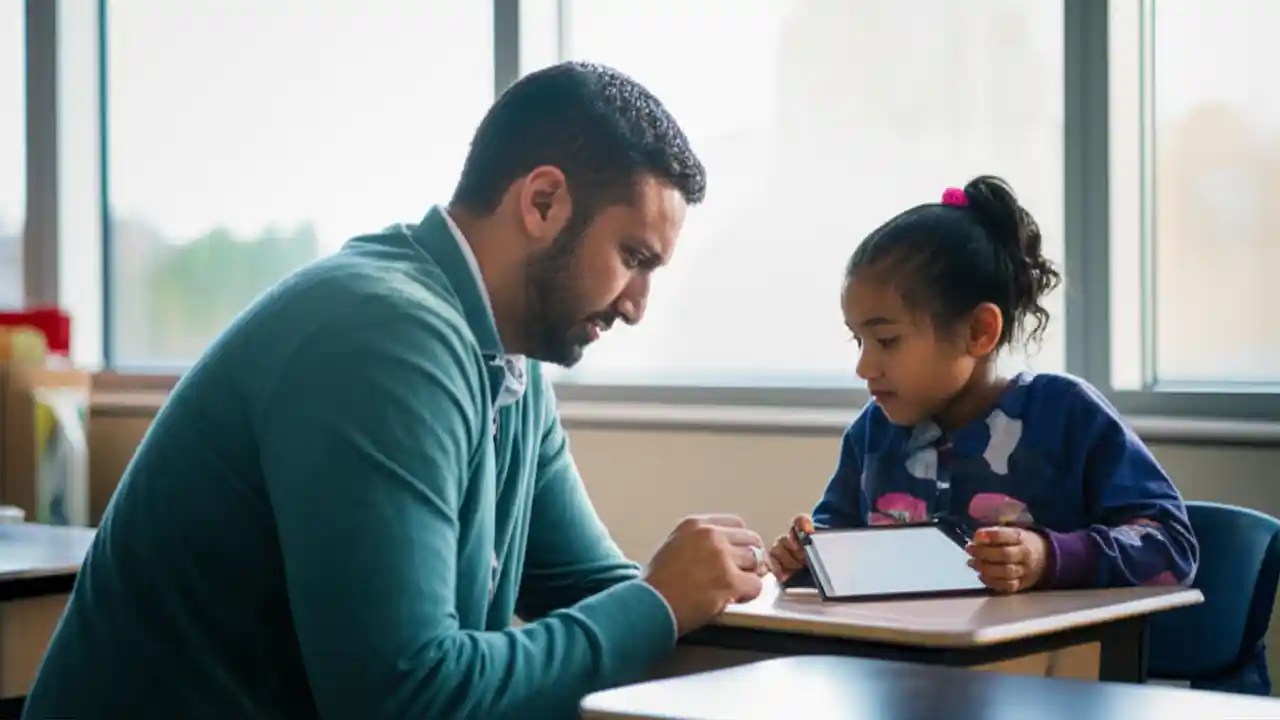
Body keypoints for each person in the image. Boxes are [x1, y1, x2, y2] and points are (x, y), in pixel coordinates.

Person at [24, 61, 767, 719]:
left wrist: (743, 591)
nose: (637, 305)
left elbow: (590, 591)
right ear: (543, 202)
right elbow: (408, 698)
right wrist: (658, 601)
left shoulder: (508, 362)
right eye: (633, 257)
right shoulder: (386, 338)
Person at [768, 176, 1198, 595]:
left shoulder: (1068, 415)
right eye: (858, 341)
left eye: (886, 340)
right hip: (907, 647)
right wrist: (807, 559)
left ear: (979, 330)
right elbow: (838, 552)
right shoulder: (871, 434)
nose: (864, 367)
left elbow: (1173, 549)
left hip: (1045, 648)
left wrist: (1048, 557)